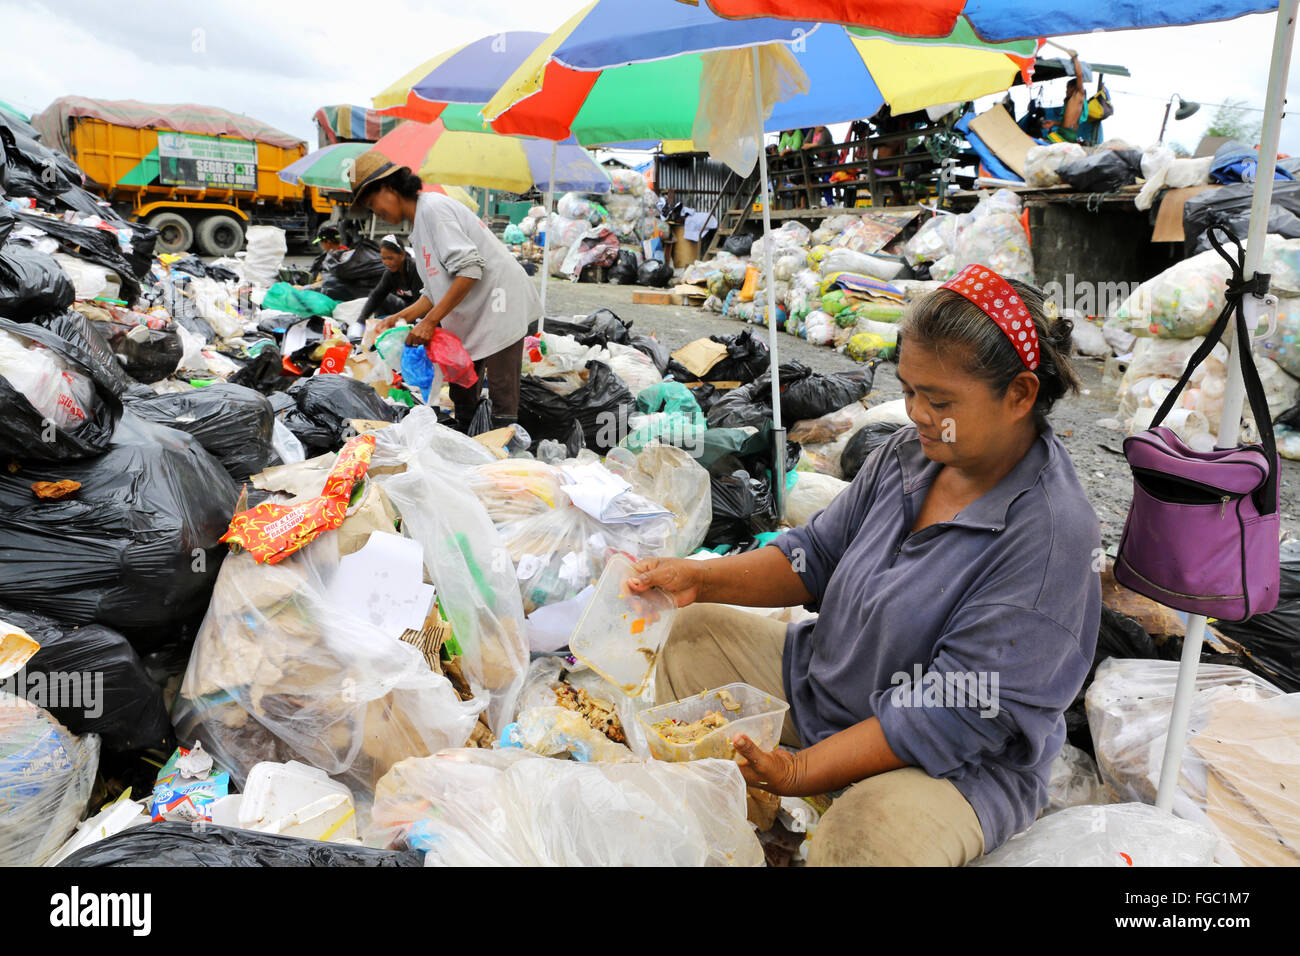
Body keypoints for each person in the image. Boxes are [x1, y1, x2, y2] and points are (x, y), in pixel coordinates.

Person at [629, 267, 1101, 866]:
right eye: (908, 391)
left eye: (940, 401)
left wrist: (801, 769)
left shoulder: (1051, 534)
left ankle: (816, 799)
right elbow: (817, 555)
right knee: (691, 636)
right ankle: (742, 828)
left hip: (953, 766)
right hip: (827, 688)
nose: (918, 414)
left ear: (1020, 395)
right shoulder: (907, 455)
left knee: (866, 836)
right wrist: (701, 578)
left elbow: (954, 711)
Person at [350, 152, 538, 430]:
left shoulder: (433, 210)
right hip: (478, 310)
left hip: (501, 303)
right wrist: (399, 317)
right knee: (462, 385)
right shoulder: (419, 227)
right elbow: (433, 291)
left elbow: (470, 269)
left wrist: (430, 321)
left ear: (389, 188)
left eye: (372, 203)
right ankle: (466, 437)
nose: (374, 212)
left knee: (502, 391)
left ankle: (506, 454)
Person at [359, 235, 423, 323]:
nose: (386, 262)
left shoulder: (415, 269)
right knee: (382, 299)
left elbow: (420, 303)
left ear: (402, 255)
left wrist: (396, 318)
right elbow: (376, 295)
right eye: (383, 258)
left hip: (421, 311)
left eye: (390, 258)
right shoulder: (390, 273)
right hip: (406, 308)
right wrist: (360, 321)